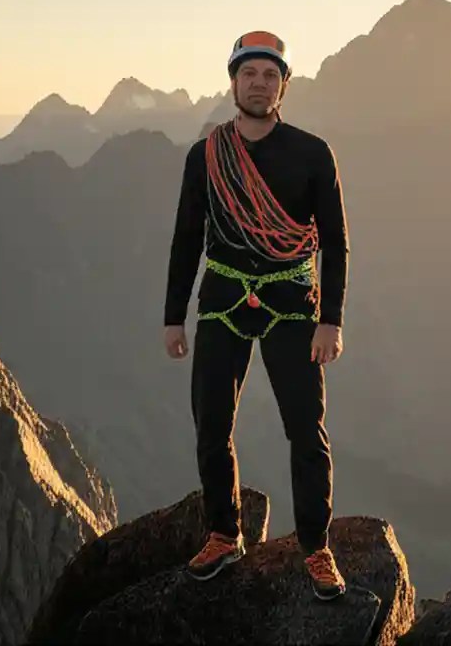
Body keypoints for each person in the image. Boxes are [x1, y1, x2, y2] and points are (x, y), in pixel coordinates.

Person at [162, 30, 351, 601]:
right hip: (222, 298)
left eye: (270, 74)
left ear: (283, 85)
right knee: (212, 421)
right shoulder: (206, 157)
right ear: (233, 81)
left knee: (304, 427)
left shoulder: (313, 153)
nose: (259, 83)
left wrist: (332, 319)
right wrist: (174, 316)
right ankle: (224, 532)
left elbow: (335, 243)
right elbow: (187, 238)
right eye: (250, 73)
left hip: (294, 302)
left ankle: (316, 547)